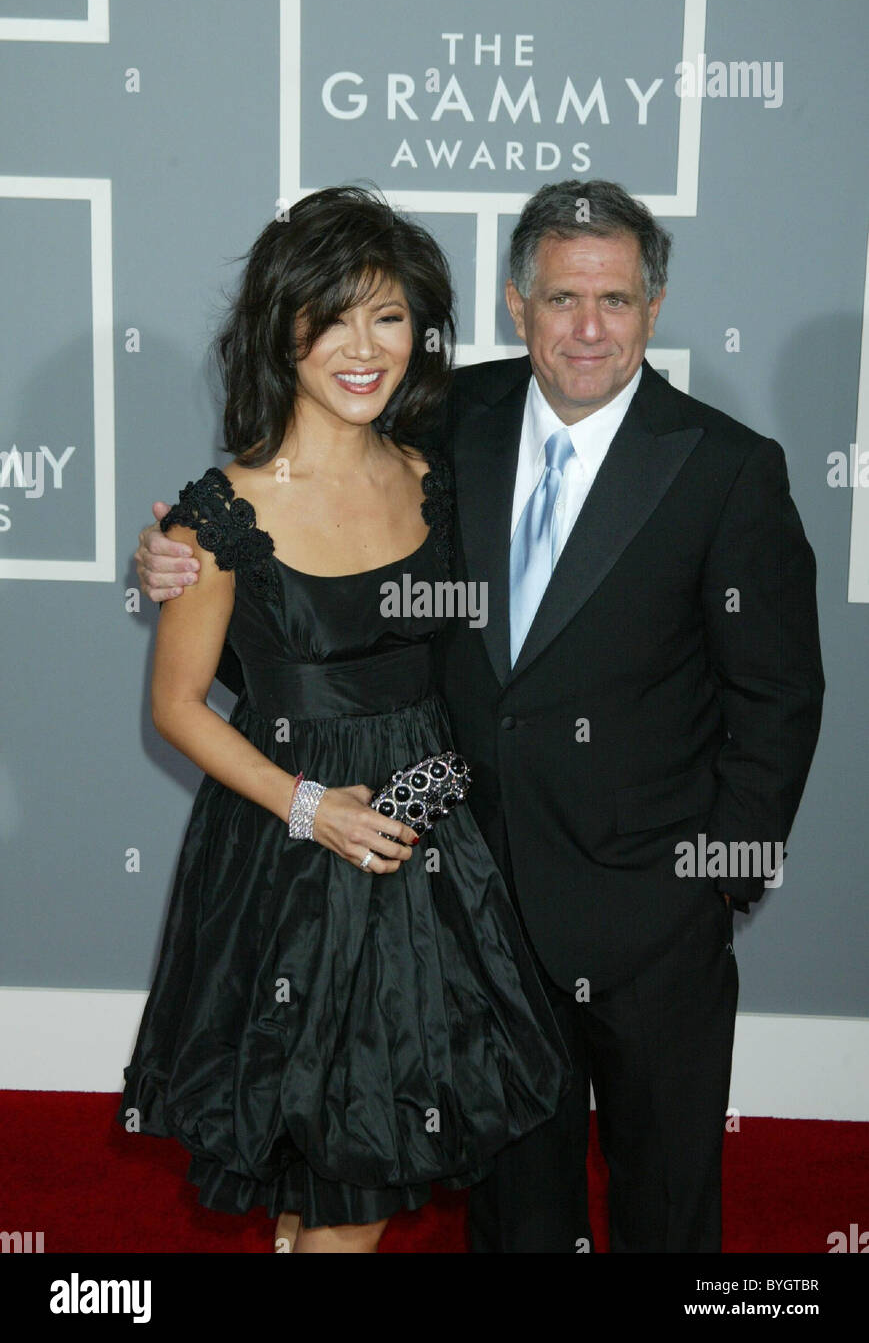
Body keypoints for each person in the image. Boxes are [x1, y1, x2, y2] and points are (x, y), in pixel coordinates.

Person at [136, 179, 824, 1254]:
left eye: (612, 298)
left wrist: (715, 879)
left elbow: (778, 696)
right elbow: (294, 606)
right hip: (471, 897)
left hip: (649, 910)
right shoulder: (446, 423)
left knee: (665, 1198)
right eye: (559, 299)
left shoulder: (728, 469)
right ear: (515, 305)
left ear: (651, 305)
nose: (585, 327)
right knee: (508, 1209)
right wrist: (172, 554)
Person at [117, 184, 570, 1255]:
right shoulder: (217, 514)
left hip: (429, 850)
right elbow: (176, 706)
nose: (362, 348)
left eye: (389, 316)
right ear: (283, 330)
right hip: (289, 853)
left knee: (343, 1155)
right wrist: (310, 806)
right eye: (332, 317)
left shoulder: (438, 475)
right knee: (342, 1158)